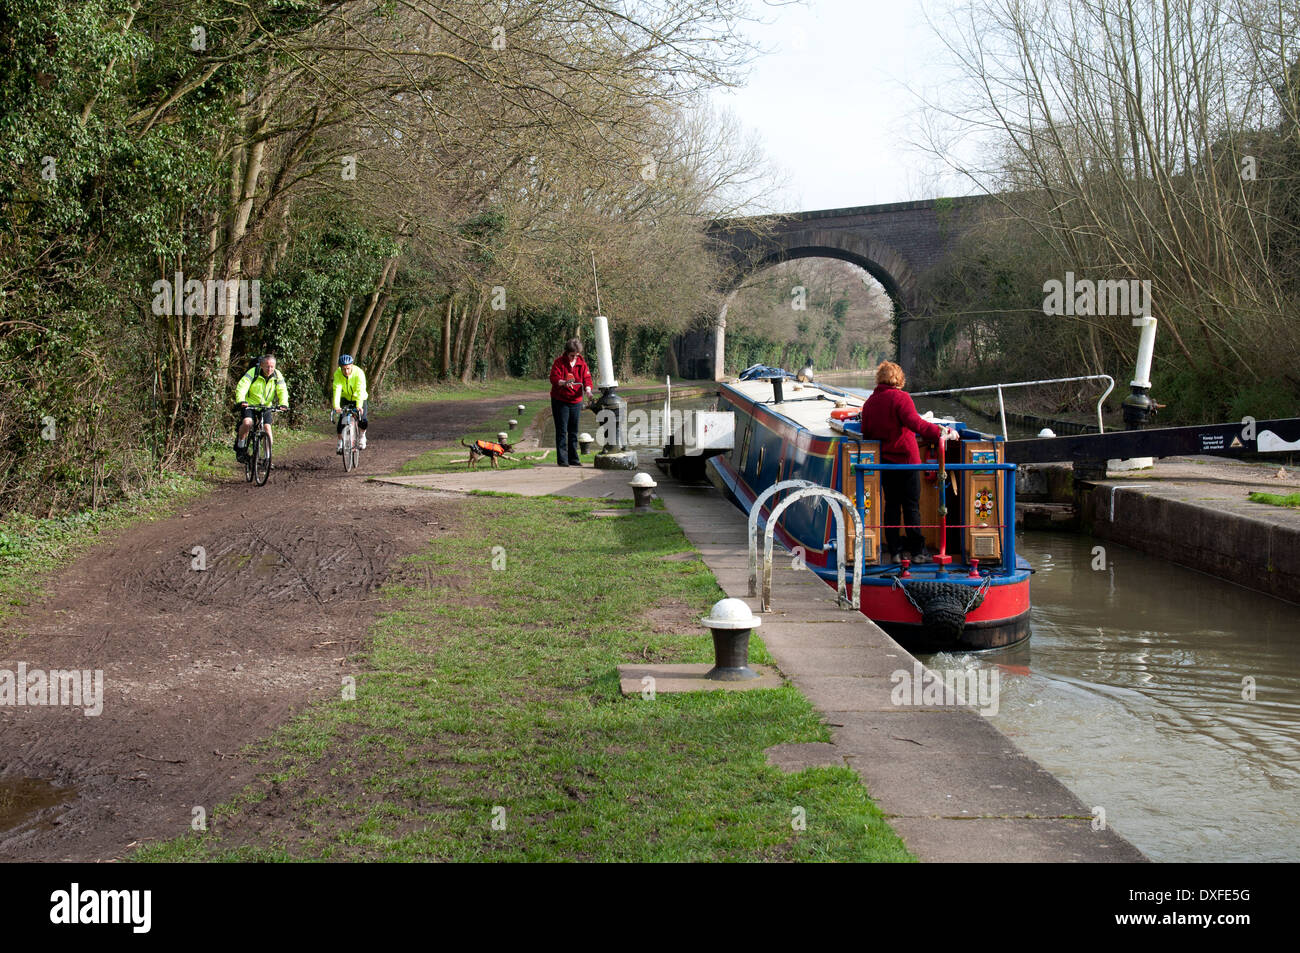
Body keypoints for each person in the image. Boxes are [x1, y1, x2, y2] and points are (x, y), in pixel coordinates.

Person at [860, 361, 956, 563]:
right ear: (899, 379)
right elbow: (916, 423)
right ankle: (918, 552)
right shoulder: (900, 398)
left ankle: (894, 552)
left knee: (892, 507)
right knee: (912, 506)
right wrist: (942, 432)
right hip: (907, 461)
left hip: (885, 463)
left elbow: (866, 433)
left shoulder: (869, 403)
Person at [233, 354, 290, 462]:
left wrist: (284, 404)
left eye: (272, 367)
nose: (270, 369)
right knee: (247, 423)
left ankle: (267, 458)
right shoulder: (253, 372)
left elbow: (282, 390)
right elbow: (242, 386)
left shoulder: (277, 375)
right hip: (250, 405)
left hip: (266, 406)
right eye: (267, 366)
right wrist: (241, 400)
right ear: (262, 365)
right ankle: (240, 447)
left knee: (267, 429)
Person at [549, 337, 593, 467]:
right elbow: (553, 378)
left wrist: (588, 391)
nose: (574, 358)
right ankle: (563, 460)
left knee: (573, 430)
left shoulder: (582, 363)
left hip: (576, 401)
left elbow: (587, 379)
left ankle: (573, 458)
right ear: (567, 352)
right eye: (572, 355)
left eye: (576, 355)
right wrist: (563, 383)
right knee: (562, 430)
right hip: (560, 400)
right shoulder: (559, 362)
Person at [332, 354, 369, 453]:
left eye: (348, 368)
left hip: (359, 398)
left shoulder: (359, 373)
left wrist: (359, 406)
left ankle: (362, 436)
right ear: (340, 368)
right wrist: (336, 406)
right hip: (345, 398)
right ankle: (340, 442)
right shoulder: (338, 374)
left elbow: (360, 390)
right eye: (344, 369)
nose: (346, 371)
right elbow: (337, 390)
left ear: (352, 365)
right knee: (341, 419)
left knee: (363, 419)